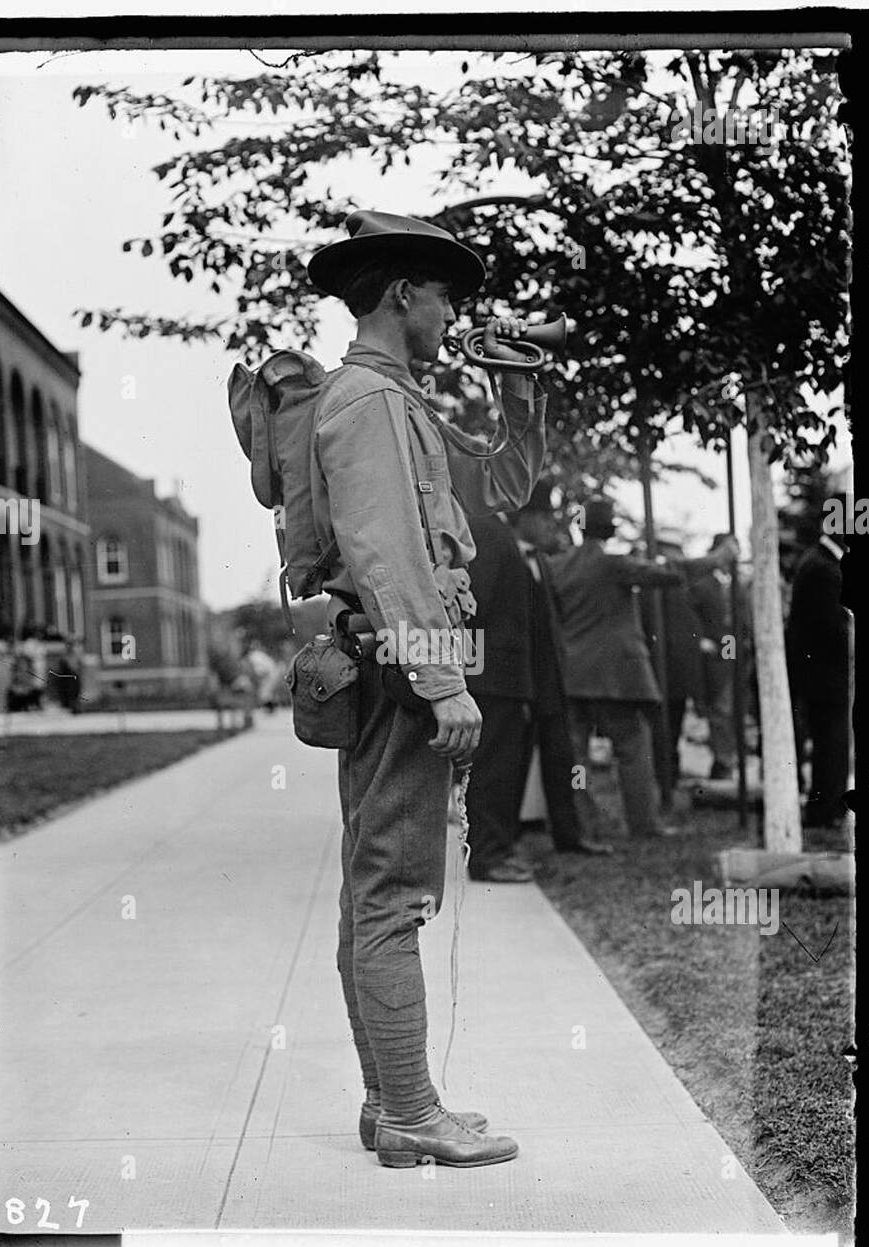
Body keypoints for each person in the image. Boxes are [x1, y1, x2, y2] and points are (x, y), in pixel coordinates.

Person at [306, 209, 547, 1168]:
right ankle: (408, 1110)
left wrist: (517, 386)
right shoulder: (367, 405)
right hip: (400, 670)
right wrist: (443, 679)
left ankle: (391, 1105)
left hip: (388, 665)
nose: (455, 317)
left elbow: (503, 492)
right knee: (394, 897)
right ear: (404, 292)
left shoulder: (396, 401)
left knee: (377, 893)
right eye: (448, 296)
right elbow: (383, 551)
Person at [548, 498, 738, 840]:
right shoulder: (614, 565)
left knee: (577, 760)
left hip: (572, 672)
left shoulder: (559, 566)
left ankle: (583, 823)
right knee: (633, 750)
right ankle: (644, 824)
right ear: (610, 530)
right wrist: (717, 559)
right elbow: (669, 575)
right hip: (617, 674)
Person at [464, 481, 608, 882]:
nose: (551, 527)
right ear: (523, 516)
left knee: (524, 766)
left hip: (531, 682)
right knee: (496, 771)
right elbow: (476, 608)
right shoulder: (491, 537)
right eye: (544, 517)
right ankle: (489, 856)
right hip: (497, 682)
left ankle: (509, 846)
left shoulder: (535, 558)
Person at [785, 500, 852, 828]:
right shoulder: (823, 568)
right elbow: (833, 626)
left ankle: (829, 807)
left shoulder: (821, 563)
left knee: (833, 743)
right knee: (831, 743)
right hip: (824, 675)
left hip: (822, 673)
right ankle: (825, 810)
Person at [639, 537, 705, 802]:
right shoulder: (661, 587)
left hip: (670, 671)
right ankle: (666, 781)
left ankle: (668, 780)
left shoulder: (669, 588)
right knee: (663, 731)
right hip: (664, 670)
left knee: (667, 730)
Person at [688, 534, 737, 780]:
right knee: (721, 708)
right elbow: (689, 616)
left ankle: (729, 758)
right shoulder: (702, 584)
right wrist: (699, 639)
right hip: (717, 655)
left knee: (734, 708)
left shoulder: (739, 582)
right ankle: (723, 761)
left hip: (739, 654)